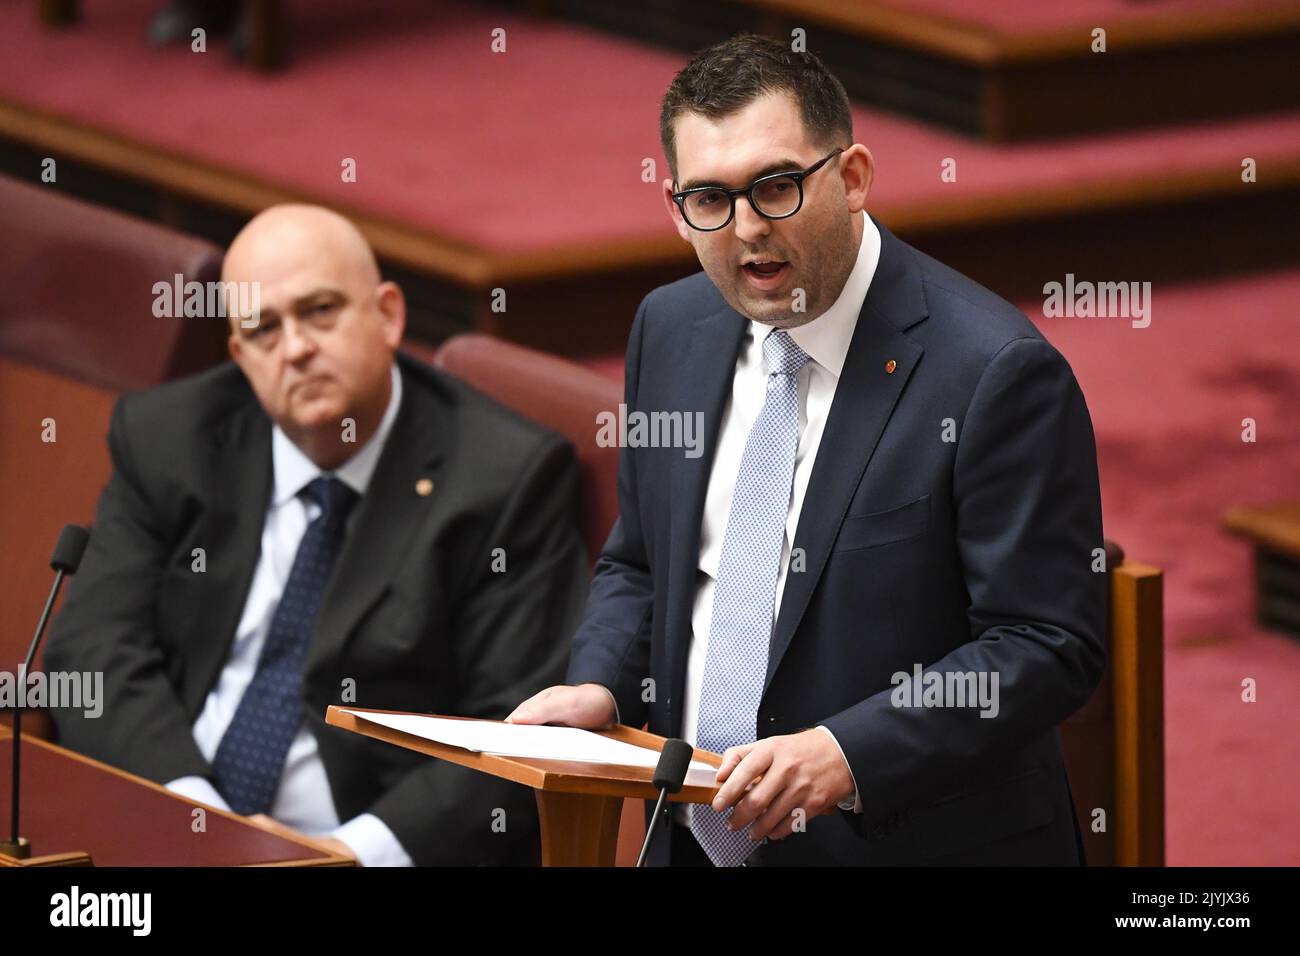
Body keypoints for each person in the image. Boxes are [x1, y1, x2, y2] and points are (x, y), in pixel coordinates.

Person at [508, 34, 1106, 866]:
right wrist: (600, 684)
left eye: (776, 187)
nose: (747, 229)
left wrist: (848, 751)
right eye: (710, 200)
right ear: (676, 208)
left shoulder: (993, 372)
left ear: (853, 177)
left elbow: (1047, 644)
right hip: (687, 838)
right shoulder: (670, 329)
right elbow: (641, 562)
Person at [45, 204, 587, 866]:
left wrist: (346, 856)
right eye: (263, 329)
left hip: (353, 844)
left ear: (388, 314)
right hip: (172, 819)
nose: (296, 348)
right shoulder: (169, 437)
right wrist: (193, 814)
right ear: (240, 355)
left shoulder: (502, 480)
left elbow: (515, 729)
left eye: (320, 311)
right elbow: (95, 647)